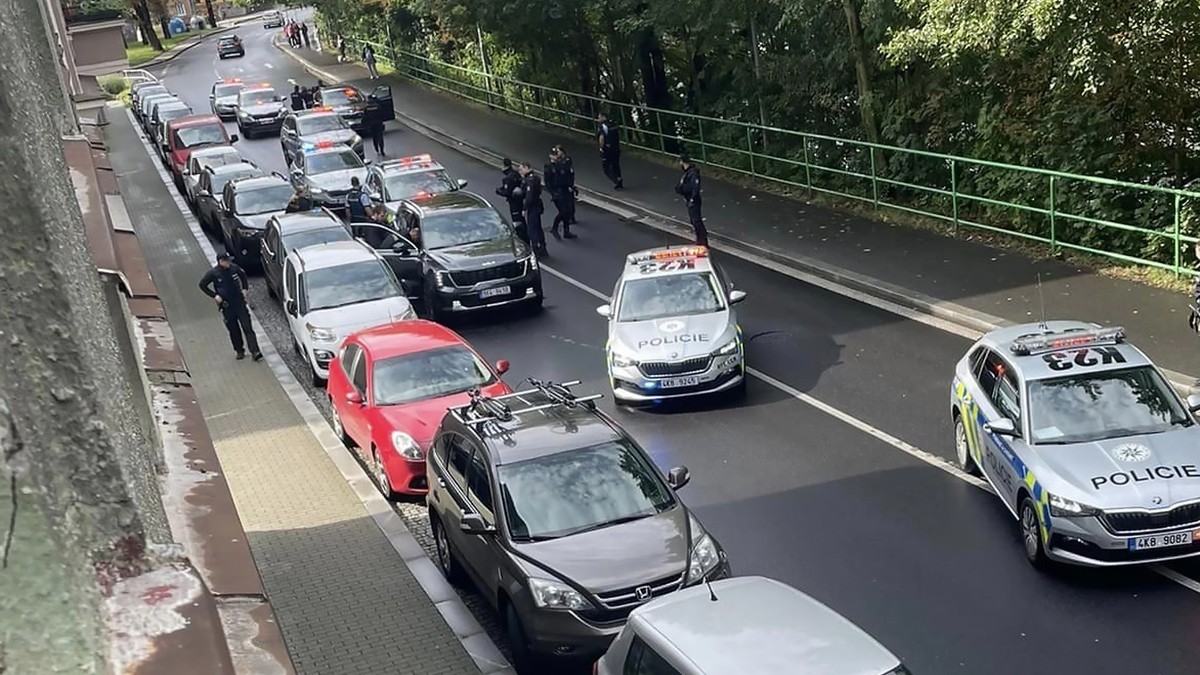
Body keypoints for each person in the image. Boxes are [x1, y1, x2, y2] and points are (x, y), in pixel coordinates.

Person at [199, 253, 262, 361]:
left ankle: (255, 351)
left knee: (247, 327)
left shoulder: (234, 269)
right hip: (227, 306)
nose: (229, 263)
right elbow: (202, 285)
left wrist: (244, 289)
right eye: (226, 261)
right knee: (233, 329)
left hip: (239, 302)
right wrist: (215, 295)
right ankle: (239, 350)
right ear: (220, 261)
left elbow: (243, 276)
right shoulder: (214, 273)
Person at [544, 145, 577, 240]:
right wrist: (553, 193)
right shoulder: (548, 167)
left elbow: (566, 177)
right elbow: (548, 183)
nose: (555, 156)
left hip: (565, 190)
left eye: (556, 154)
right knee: (563, 211)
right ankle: (554, 228)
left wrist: (571, 186)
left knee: (567, 211)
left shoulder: (561, 164)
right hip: (557, 192)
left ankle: (566, 231)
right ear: (550, 156)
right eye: (553, 155)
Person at [674, 154, 706, 246]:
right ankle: (700, 239)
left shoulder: (692, 173)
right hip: (689, 199)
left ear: (683, 162)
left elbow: (694, 187)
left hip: (693, 200)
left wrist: (692, 199)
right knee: (694, 221)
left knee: (696, 221)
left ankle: (702, 241)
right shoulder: (688, 173)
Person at [518, 162, 547, 256]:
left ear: (526, 168)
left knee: (532, 230)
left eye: (521, 169)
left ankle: (536, 250)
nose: (520, 171)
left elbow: (529, 196)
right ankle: (543, 248)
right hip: (538, 205)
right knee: (538, 228)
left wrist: (524, 208)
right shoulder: (535, 177)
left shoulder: (530, 180)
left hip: (533, 207)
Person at [597, 112, 623, 190]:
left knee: (606, 168)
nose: (598, 119)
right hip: (616, 148)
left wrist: (601, 148)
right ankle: (619, 179)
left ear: (603, 117)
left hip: (607, 149)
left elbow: (602, 138)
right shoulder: (613, 124)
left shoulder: (602, 126)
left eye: (599, 117)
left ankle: (616, 180)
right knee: (616, 165)